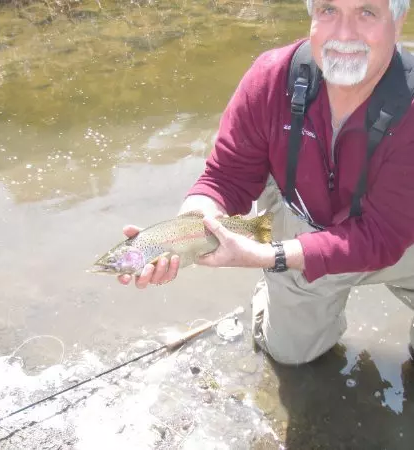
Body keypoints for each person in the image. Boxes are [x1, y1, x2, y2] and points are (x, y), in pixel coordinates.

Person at [118, 0, 414, 365]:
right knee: (291, 356)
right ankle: (272, 297)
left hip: (403, 238)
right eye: (328, 10)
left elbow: (382, 235)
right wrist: (187, 232)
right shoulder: (273, 78)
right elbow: (226, 175)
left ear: (399, 22)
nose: (344, 33)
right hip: (301, 227)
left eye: (367, 12)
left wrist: (268, 256)